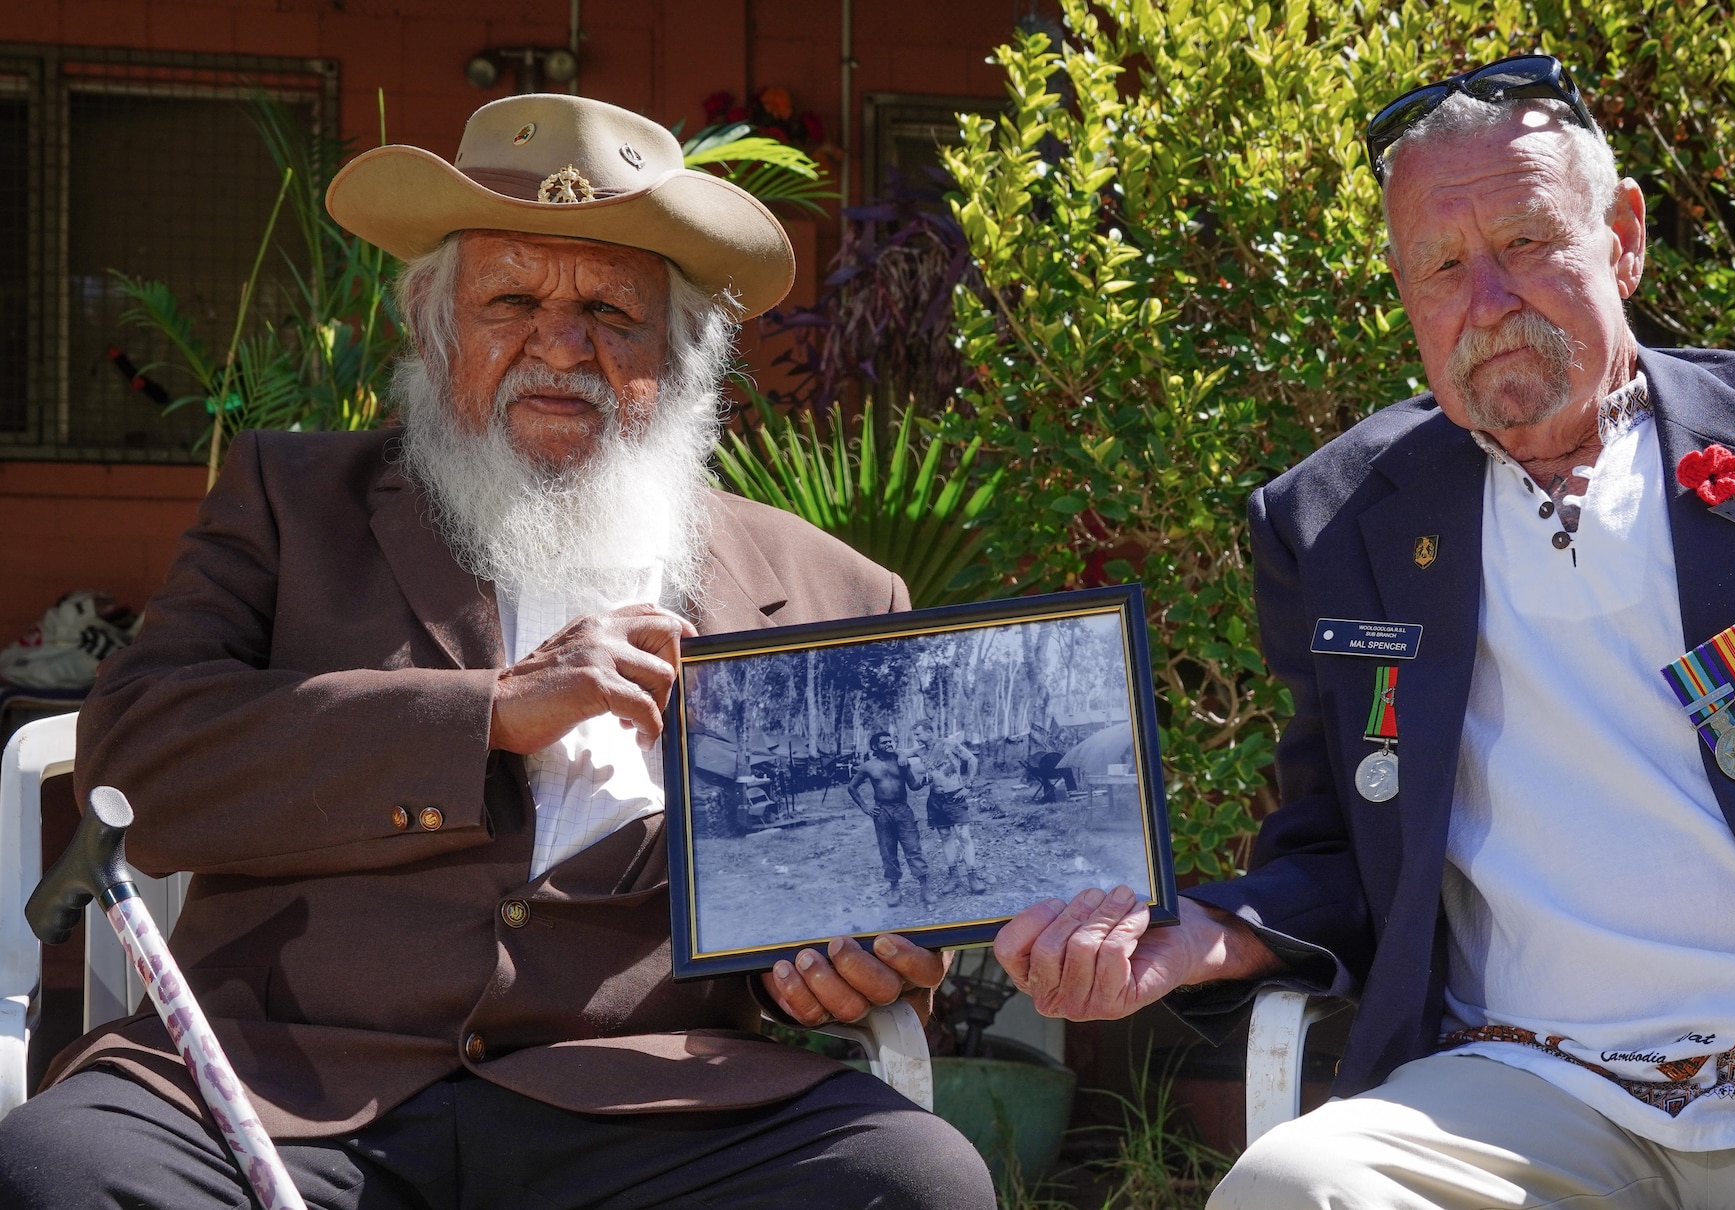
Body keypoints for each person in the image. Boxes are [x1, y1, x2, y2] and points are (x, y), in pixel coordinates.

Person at [996, 54, 1735, 1208]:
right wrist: (1206, 932)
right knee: (1298, 1187)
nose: (1485, 302)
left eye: (1526, 243)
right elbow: (1344, 847)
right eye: (1440, 267)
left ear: (1622, 237)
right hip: (1531, 1087)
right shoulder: (1332, 519)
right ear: (1404, 295)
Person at [0, 94, 993, 1210]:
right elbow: (138, 761)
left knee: (912, 1180)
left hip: (652, 1108)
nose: (559, 346)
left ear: (679, 354)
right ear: (434, 329)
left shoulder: (836, 592)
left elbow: (876, 904)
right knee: (63, 1172)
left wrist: (861, 960)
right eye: (511, 300)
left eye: (614, 315)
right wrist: (487, 710)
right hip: (285, 1081)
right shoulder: (293, 501)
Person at [851, 730, 933, 907]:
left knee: (913, 848)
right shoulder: (868, 766)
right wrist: (865, 807)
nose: (889, 744)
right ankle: (895, 888)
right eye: (884, 743)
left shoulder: (901, 762)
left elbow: (913, 785)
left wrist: (924, 781)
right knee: (888, 852)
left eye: (890, 742)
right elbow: (852, 788)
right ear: (875, 747)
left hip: (903, 810)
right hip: (882, 812)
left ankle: (924, 887)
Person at [913, 720, 986, 894]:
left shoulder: (949, 744)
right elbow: (902, 753)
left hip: (955, 796)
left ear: (930, 732)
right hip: (935, 799)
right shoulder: (921, 751)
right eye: (915, 734)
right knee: (945, 836)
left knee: (963, 836)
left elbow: (972, 760)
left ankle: (972, 877)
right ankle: (954, 877)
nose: (916, 738)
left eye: (918, 734)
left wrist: (968, 785)